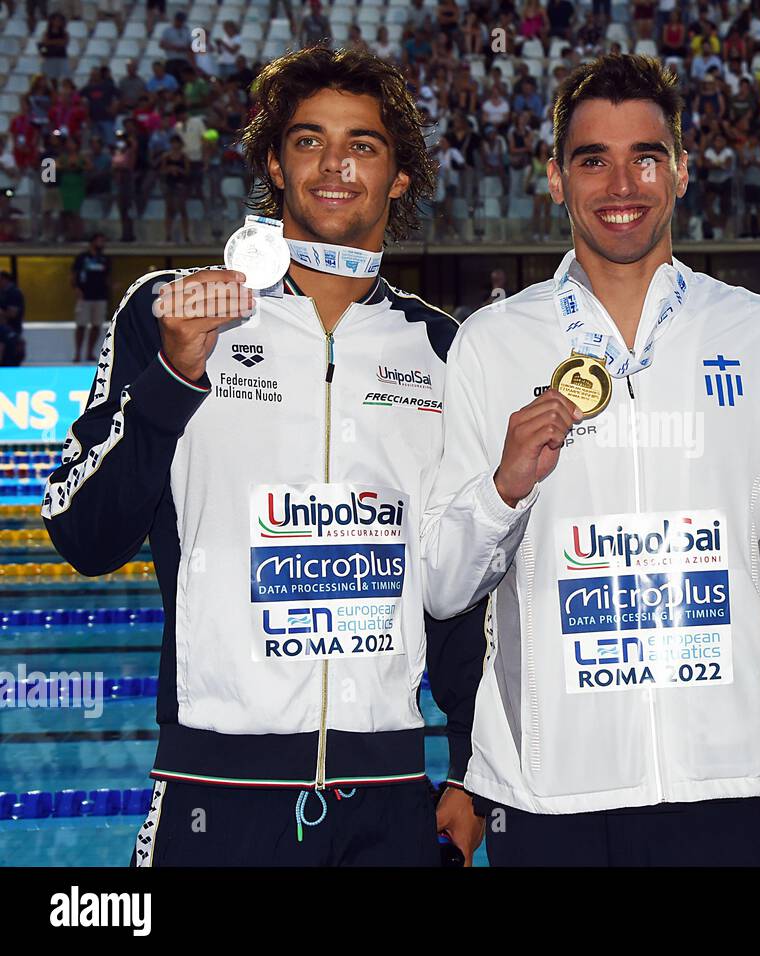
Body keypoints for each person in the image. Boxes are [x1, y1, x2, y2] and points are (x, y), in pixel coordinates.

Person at [42, 47, 485, 868]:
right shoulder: (172, 313)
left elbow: (457, 584)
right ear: (275, 166)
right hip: (214, 791)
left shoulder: (442, 348)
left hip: (390, 797)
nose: (336, 164)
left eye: (364, 144)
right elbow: (82, 535)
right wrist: (175, 376)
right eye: (309, 141)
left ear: (399, 178)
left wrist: (469, 771)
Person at [423, 53, 760, 866]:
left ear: (681, 172)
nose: (621, 184)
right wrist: (503, 488)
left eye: (646, 156)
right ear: (557, 180)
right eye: (593, 160)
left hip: (728, 777)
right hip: (552, 791)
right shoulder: (492, 345)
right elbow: (444, 584)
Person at [71, 232, 110, 363]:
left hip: (100, 296)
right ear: (92, 242)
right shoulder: (82, 258)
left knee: (96, 325)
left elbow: (107, 277)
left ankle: (89, 352)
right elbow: (74, 274)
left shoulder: (105, 259)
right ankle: (77, 353)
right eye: (99, 241)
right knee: (81, 325)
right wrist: (76, 288)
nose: (102, 244)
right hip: (85, 296)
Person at [0, 270, 25, 366]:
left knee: (9, 357)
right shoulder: (3, 293)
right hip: (6, 331)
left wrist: (2, 314)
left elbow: (12, 313)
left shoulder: (14, 293)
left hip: (12, 329)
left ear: (4, 279)